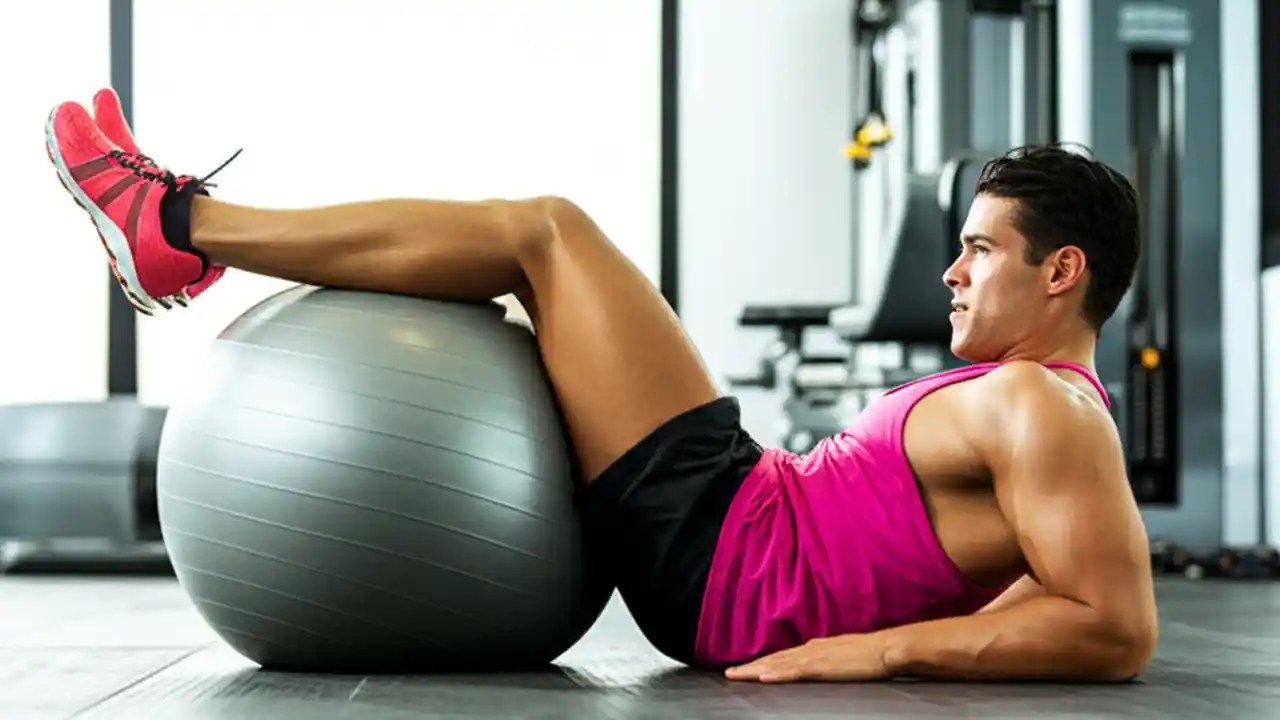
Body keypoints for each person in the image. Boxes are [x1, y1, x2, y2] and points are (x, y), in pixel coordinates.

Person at [45, 90, 1157, 683]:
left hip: (722, 547)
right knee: (541, 269)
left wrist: (860, 651)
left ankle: (179, 228)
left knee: (547, 233)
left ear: (1061, 272)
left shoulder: (1041, 405)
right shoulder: (1033, 403)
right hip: (737, 513)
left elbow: (1110, 627)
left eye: (979, 250)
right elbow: (1027, 585)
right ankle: (178, 230)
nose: (951, 272)